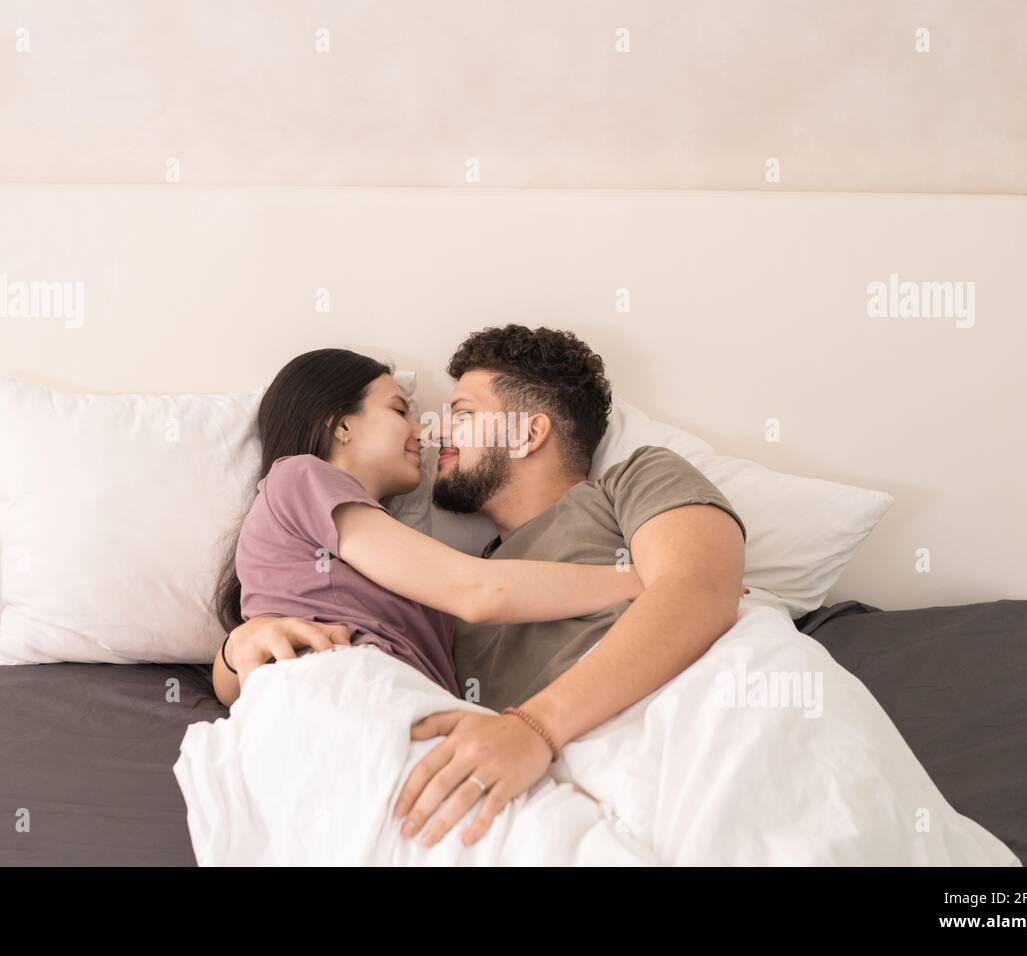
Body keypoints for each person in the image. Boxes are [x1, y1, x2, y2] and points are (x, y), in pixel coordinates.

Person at [231, 325, 748, 850]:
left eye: (462, 414)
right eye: (407, 412)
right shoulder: (438, 595)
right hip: (549, 791)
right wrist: (235, 649)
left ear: (528, 434)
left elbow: (699, 591)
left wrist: (534, 729)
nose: (432, 433)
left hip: (696, 724)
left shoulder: (635, 479)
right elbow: (456, 598)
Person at [210, 347, 647, 709]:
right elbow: (478, 591)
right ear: (342, 424)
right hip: (350, 697)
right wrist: (644, 579)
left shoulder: (389, 551)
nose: (425, 433)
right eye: (400, 409)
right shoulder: (301, 477)